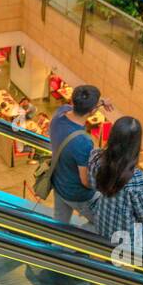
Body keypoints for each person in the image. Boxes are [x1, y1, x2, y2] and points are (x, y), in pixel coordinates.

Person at [86, 115, 143, 285]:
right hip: (126, 237)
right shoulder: (136, 178)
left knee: (96, 261)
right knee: (122, 281)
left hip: (101, 223)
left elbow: (92, 182)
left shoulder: (96, 158)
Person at [48, 85, 101, 229]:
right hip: (76, 194)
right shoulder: (83, 142)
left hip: (58, 183)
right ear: (93, 111)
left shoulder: (60, 113)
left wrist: (100, 103)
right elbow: (85, 181)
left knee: (59, 225)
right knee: (105, 224)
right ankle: (76, 244)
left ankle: (55, 249)